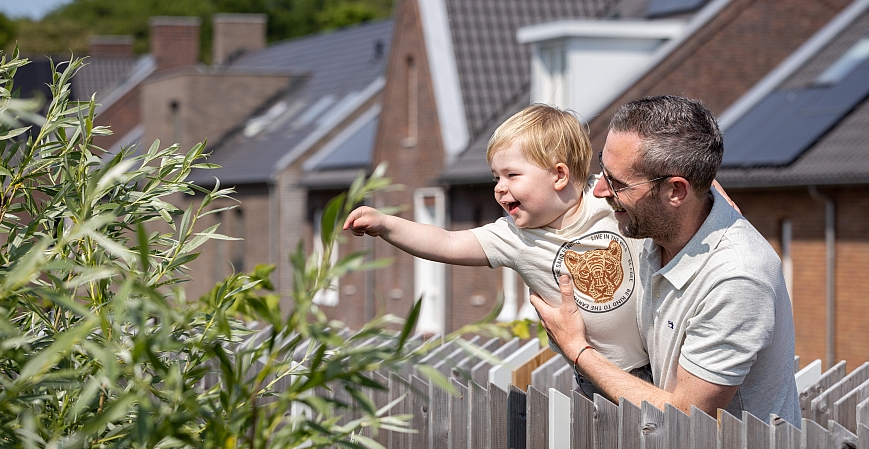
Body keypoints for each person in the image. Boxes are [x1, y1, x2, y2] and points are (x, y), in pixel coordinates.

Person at [530, 95, 800, 425]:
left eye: (617, 183)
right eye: (603, 168)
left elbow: (686, 413)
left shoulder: (737, 278)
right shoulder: (654, 225)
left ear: (676, 192)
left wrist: (576, 348)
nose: (598, 191)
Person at [343, 104, 651, 380]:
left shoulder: (606, 198)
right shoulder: (513, 237)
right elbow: (447, 242)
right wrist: (386, 224)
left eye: (511, 175)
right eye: (496, 178)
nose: (500, 189)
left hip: (661, 355)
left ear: (559, 175)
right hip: (597, 372)